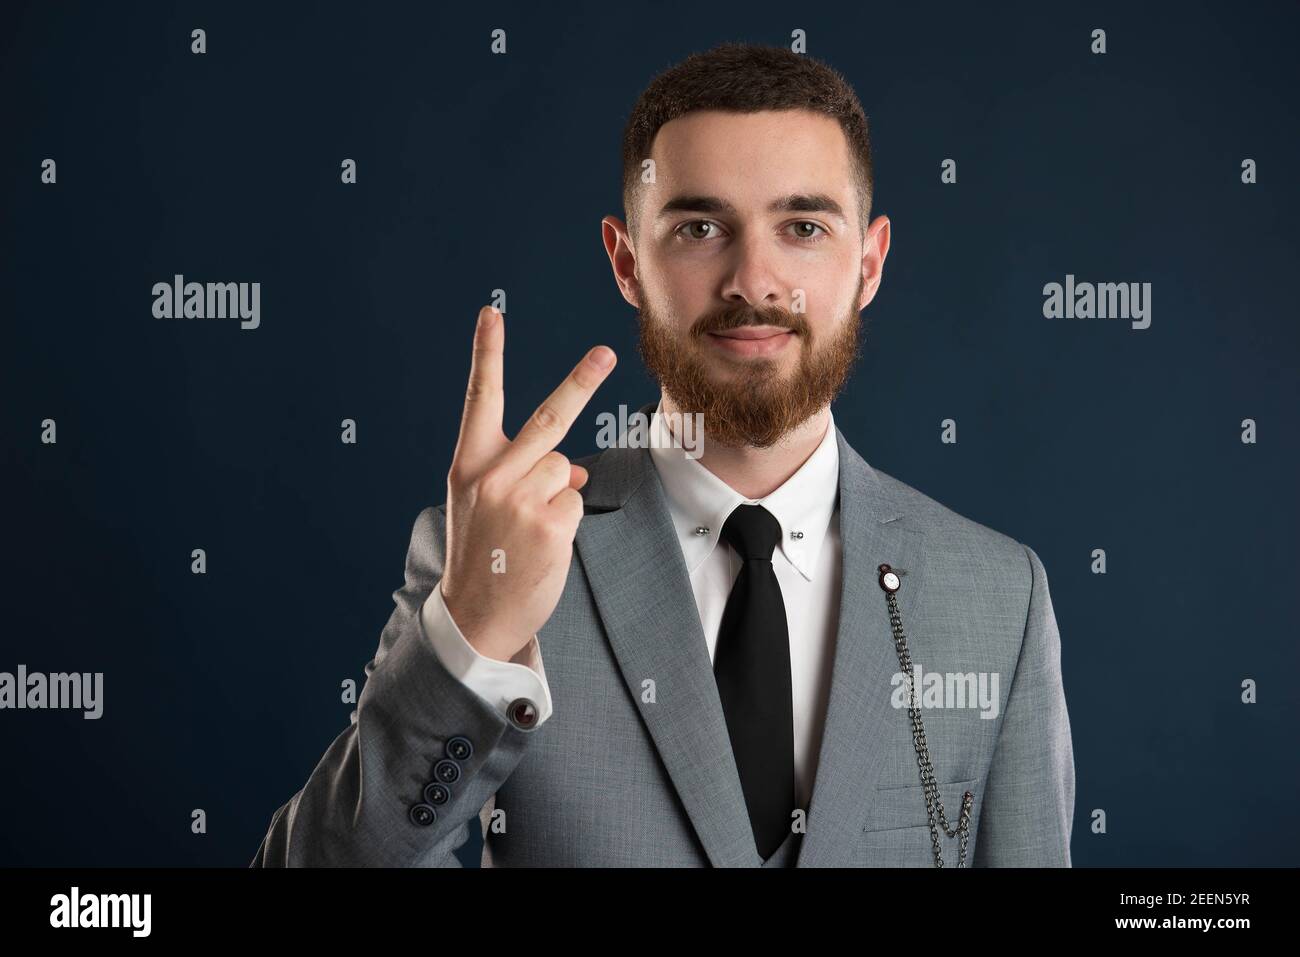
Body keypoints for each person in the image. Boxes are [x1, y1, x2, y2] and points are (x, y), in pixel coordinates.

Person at [251, 42, 1074, 868]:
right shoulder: (494, 553)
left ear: (869, 263)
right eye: (700, 228)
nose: (755, 279)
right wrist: (470, 642)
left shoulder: (1001, 597)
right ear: (627, 262)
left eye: (802, 227)